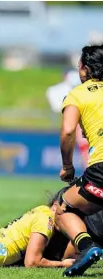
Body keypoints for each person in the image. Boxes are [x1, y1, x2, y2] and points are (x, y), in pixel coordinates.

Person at [56, 44, 103, 277]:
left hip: (101, 168)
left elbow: (67, 131)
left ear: (84, 68)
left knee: (63, 207)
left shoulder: (78, 93)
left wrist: (67, 166)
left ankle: (86, 247)